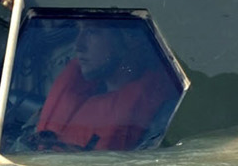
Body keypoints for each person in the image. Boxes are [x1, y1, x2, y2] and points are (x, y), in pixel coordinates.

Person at [32, 20, 183, 152]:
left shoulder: (164, 116)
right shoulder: (79, 98)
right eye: (79, 31)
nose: (78, 46)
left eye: (92, 32)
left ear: (129, 39)